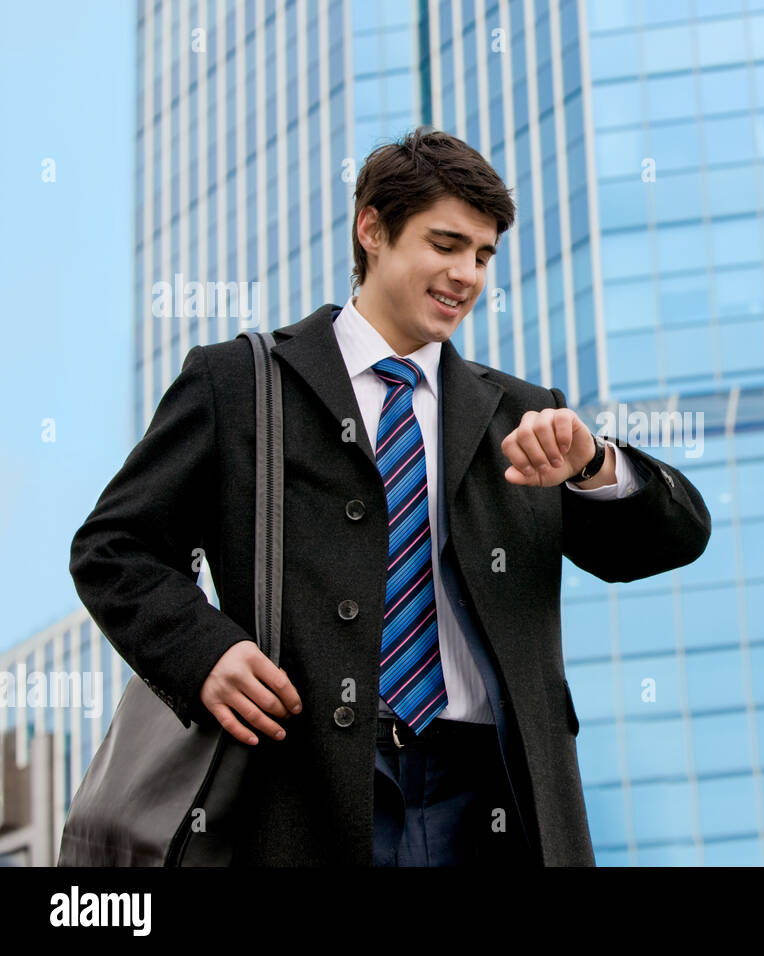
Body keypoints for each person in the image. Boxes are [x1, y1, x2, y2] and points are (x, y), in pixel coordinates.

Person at [68, 127, 712, 866]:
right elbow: (112, 549)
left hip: (495, 793)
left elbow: (676, 536)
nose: (467, 274)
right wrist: (205, 651)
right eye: (445, 244)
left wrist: (594, 464)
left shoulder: (523, 415)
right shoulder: (240, 384)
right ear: (371, 229)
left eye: (482, 254)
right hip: (306, 789)